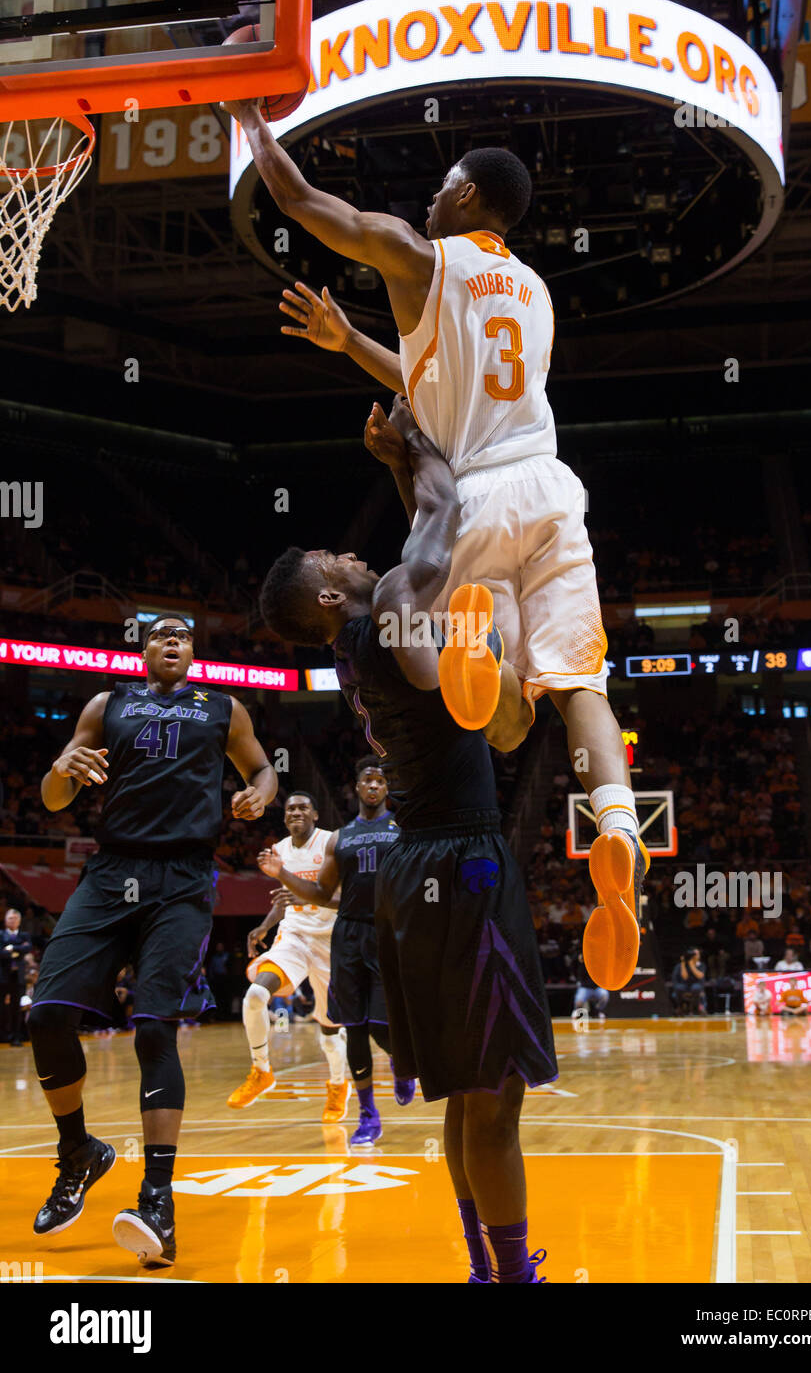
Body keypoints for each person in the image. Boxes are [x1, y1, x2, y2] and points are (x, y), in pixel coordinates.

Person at [222, 98, 649, 994]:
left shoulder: (422, 257)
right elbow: (439, 376)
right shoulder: (534, 293)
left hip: (472, 500)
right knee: (579, 688)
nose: (425, 200)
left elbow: (305, 202)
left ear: (463, 196)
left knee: (498, 720)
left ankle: (477, 660)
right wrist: (353, 345)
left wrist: (248, 122)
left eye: (438, 188)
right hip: (552, 486)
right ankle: (617, 827)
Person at [258, 395, 556, 1283]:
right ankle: (512, 1277)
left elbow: (426, 529)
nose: (351, 552)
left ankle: (487, 1266)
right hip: (462, 858)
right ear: (327, 594)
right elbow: (444, 513)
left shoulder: (367, 641)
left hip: (414, 869)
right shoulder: (388, 598)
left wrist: (401, 466)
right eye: (332, 557)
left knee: (468, 1091)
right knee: (494, 1092)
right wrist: (422, 437)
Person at [27, 614, 277, 1268]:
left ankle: (158, 1201)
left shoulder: (224, 708)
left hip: (185, 878)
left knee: (153, 1028)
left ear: (193, 652)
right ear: (143, 651)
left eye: (184, 636)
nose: (173, 641)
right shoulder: (106, 704)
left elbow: (261, 773)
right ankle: (78, 1151)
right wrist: (63, 767)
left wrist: (259, 794)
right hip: (111, 871)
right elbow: (55, 798)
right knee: (47, 1016)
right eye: (161, 634)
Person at [258, 760, 413, 1147]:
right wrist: (282, 874)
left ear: (386, 788)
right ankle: (368, 1115)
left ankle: (403, 1064)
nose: (374, 786)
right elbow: (323, 894)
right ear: (357, 788)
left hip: (387, 935)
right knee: (354, 1028)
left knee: (381, 1025)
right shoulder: (339, 838)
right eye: (367, 780)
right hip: (347, 936)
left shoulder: (402, 830)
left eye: (380, 780)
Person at [228, 793, 350, 1123]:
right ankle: (261, 1070)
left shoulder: (332, 843)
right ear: (285, 818)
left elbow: (347, 898)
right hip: (293, 937)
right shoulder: (280, 850)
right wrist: (265, 926)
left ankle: (338, 1086)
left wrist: (301, 894)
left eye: (302, 807)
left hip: (330, 941)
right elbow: (283, 901)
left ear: (315, 814)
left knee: (328, 1028)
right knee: (255, 995)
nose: (296, 812)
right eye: (290, 808)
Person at [1, 907, 33, 1045]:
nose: (12, 921)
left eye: (15, 918)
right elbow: (0, 953)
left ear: (19, 921)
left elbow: (28, 948)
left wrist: (11, 948)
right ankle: (3, 1035)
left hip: (18, 976)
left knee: (17, 1007)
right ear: (5, 920)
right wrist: (19, 949)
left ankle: (16, 1036)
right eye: (10, 918)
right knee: (1, 1007)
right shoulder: (1, 934)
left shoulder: (25, 935)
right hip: (3, 976)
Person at [670, 949, 706, 1014]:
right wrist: (683, 964)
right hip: (685, 985)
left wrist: (691, 964)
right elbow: (685, 977)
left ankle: (696, 1007)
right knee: (678, 987)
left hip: (696, 984)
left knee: (696, 987)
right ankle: (681, 1007)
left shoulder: (701, 965)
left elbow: (700, 976)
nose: (695, 956)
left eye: (697, 954)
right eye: (694, 954)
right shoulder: (681, 965)